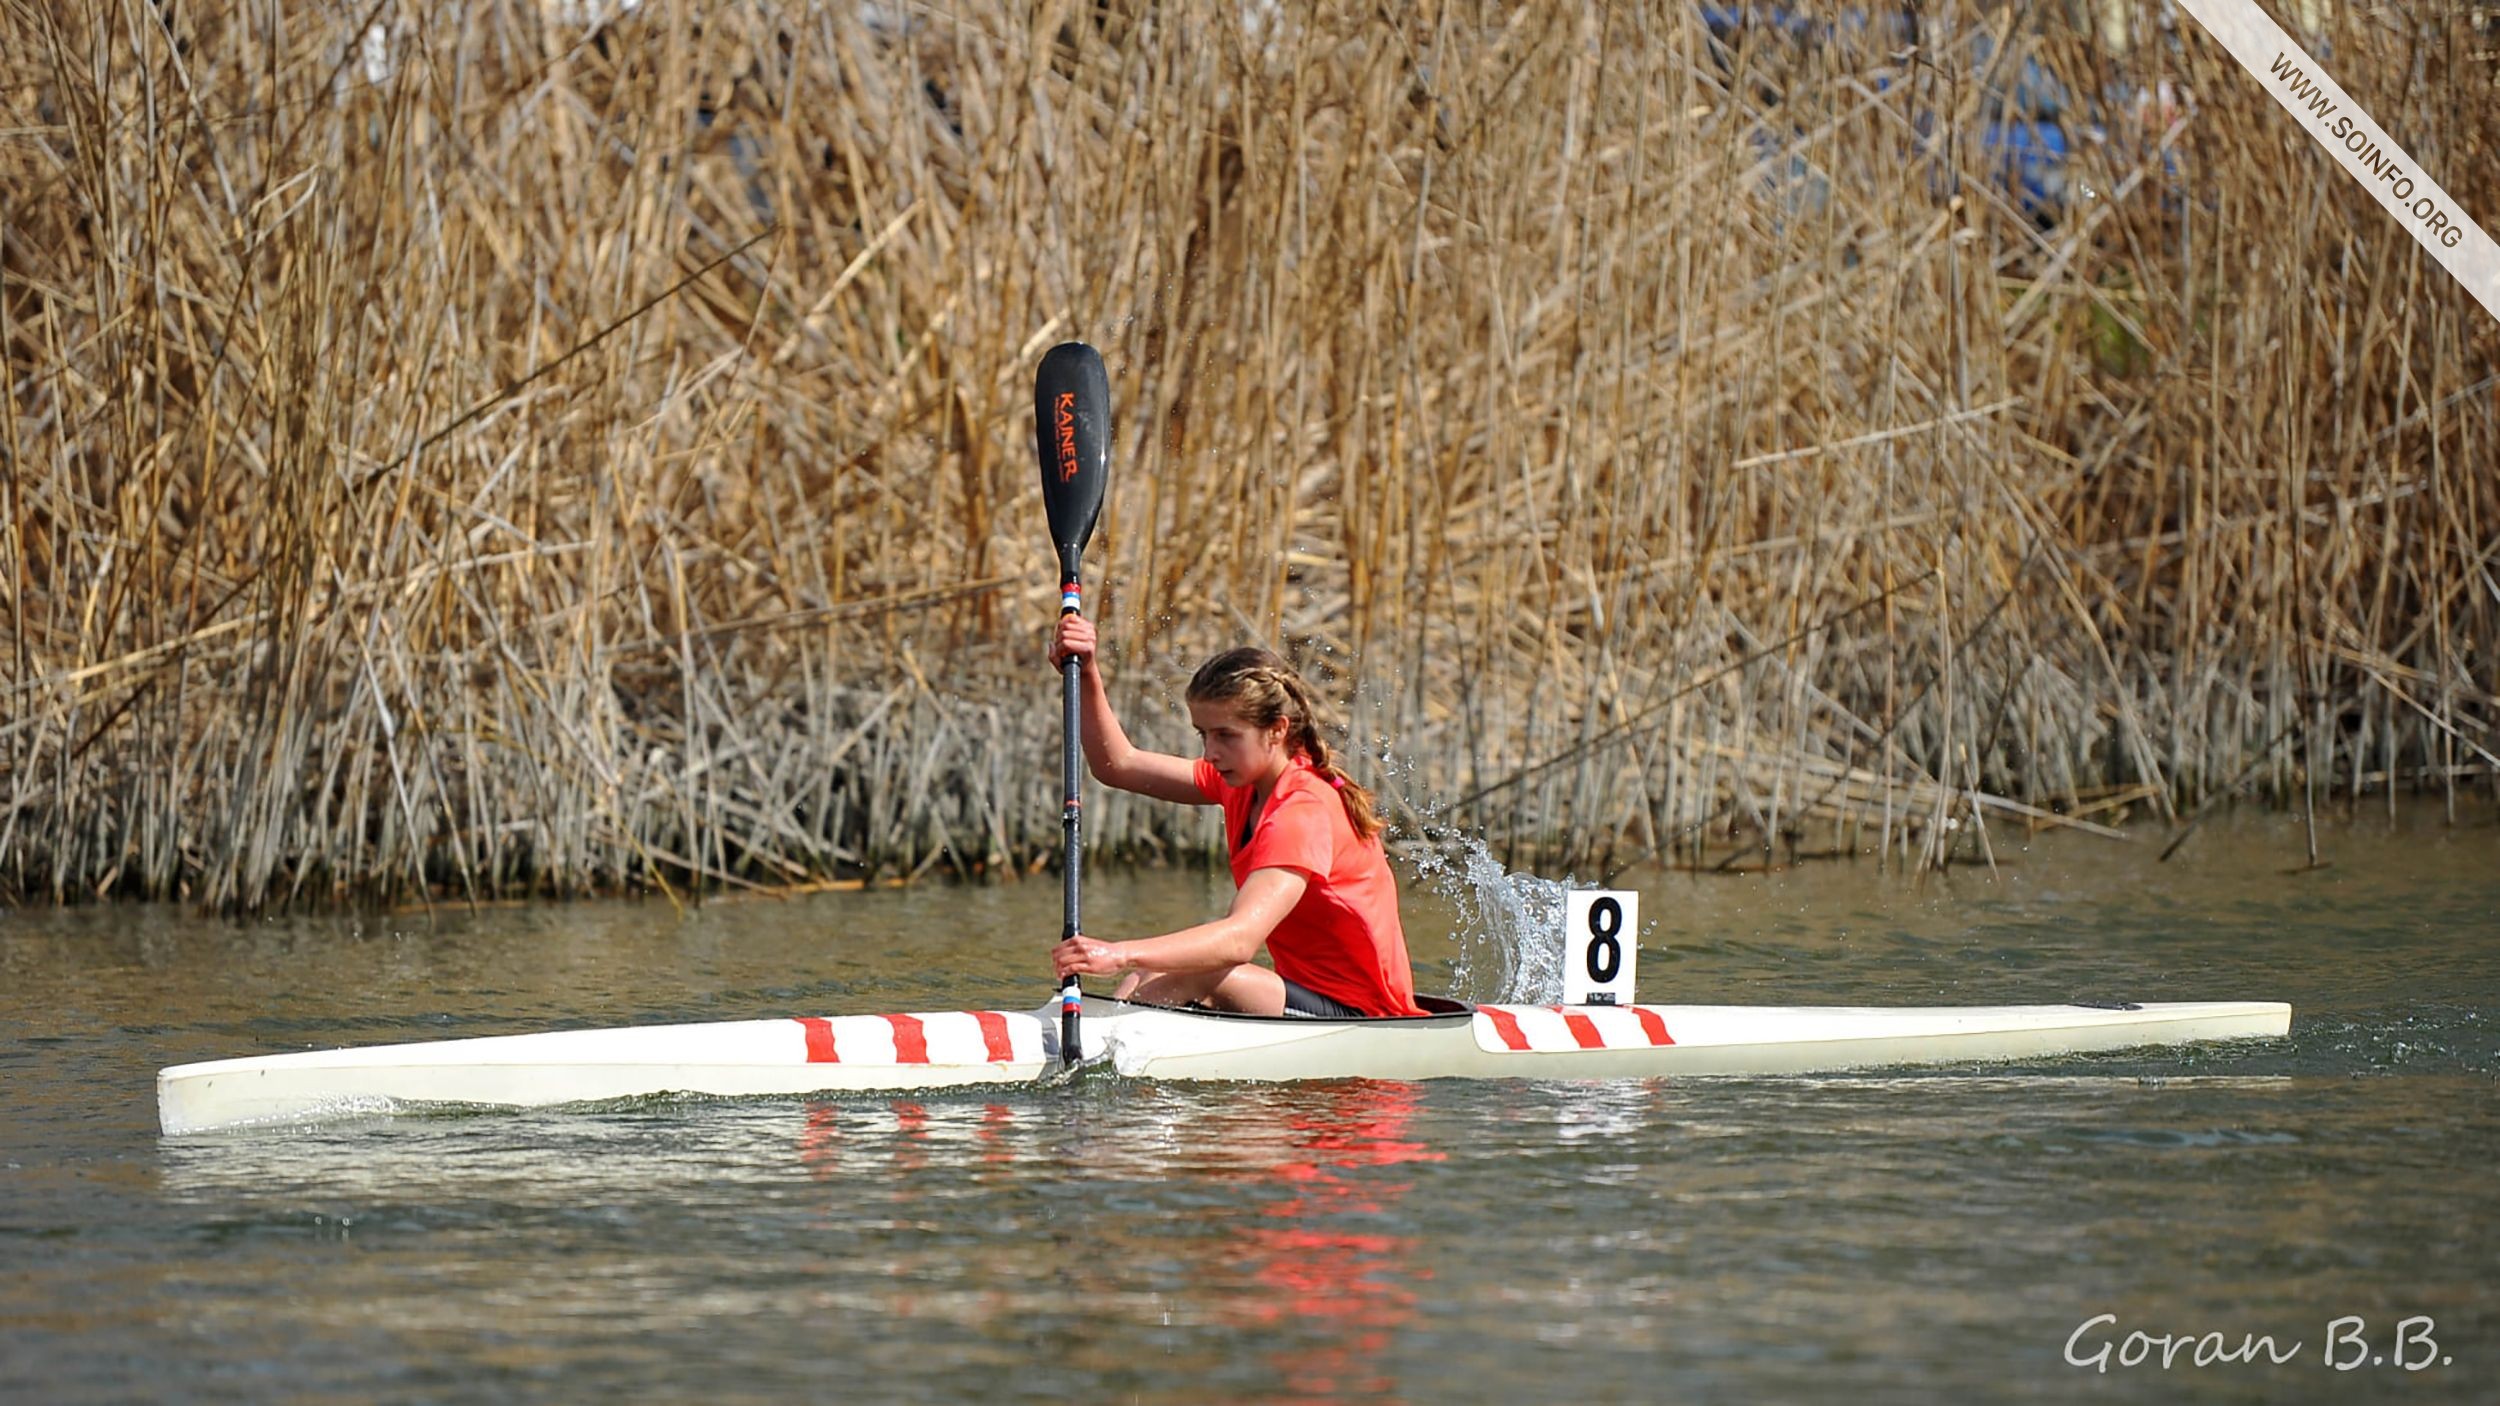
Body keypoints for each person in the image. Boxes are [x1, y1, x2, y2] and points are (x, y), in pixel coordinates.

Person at [1046, 615, 1425, 1018]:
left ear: (1277, 730)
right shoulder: (1243, 783)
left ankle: (1105, 1049)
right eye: (1203, 735)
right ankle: (1106, 1038)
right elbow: (1116, 764)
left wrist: (1118, 953)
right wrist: (1086, 673)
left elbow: (1240, 940)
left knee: (1200, 974)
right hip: (1304, 996)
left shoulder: (1301, 810)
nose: (1210, 752)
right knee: (1156, 968)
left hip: (1362, 1015)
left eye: (1226, 735)